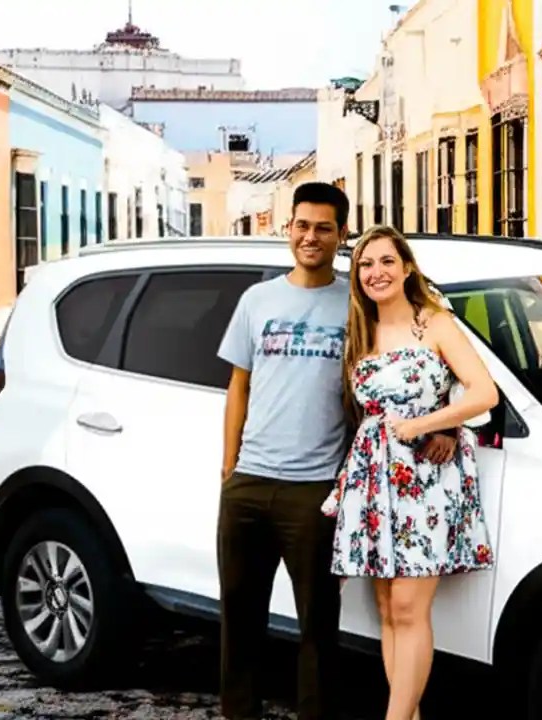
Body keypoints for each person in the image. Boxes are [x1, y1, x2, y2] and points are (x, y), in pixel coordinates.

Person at [215, 184, 458, 720]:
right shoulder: (256, 302)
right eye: (302, 225)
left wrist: (446, 424)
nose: (311, 236)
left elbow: (409, 360)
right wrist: (230, 468)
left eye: (324, 228)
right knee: (239, 618)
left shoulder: (358, 303)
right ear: (288, 229)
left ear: (341, 235)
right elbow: (239, 386)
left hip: (320, 489)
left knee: (319, 628)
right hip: (250, 484)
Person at [323, 225, 498, 720]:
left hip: (426, 475)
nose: (376, 272)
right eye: (365, 264)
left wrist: (433, 424)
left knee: (407, 608)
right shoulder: (360, 331)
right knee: (385, 611)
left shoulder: (435, 323)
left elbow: (484, 393)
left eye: (385, 261)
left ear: (406, 268)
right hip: (374, 478)